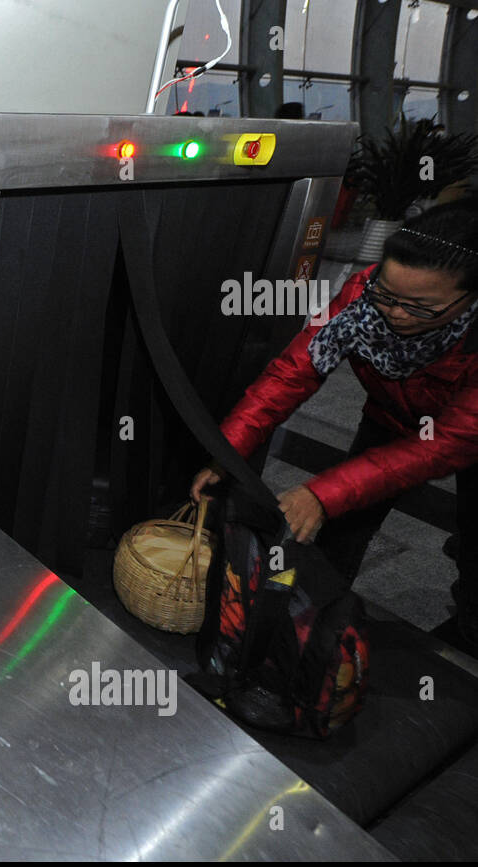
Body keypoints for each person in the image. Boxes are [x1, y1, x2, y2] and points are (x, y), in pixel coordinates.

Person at [191, 201, 478, 653]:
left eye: (420, 307)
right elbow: (293, 373)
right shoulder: (362, 296)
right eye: (387, 293)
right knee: (341, 529)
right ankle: (308, 631)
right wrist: (229, 452)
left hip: (459, 434)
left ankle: (467, 636)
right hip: (390, 420)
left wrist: (322, 492)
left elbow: (444, 445)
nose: (395, 313)